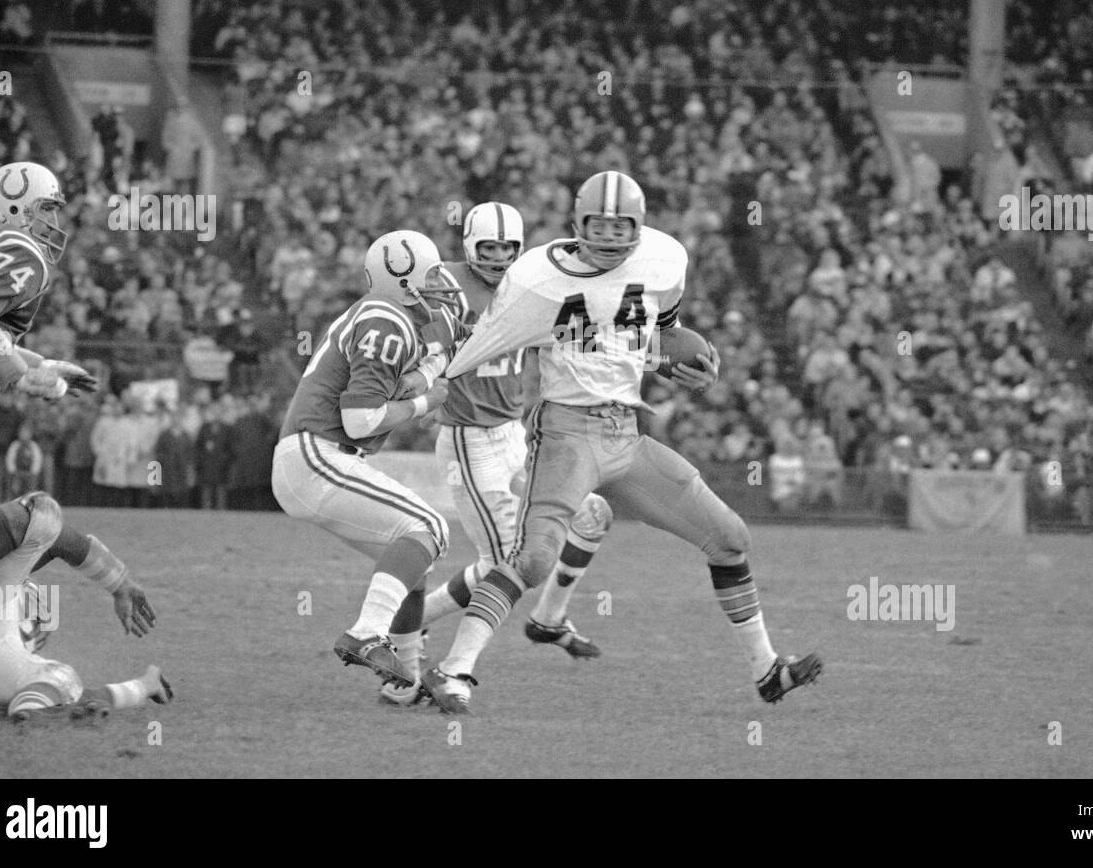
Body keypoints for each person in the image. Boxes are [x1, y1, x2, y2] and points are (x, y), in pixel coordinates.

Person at [422, 171, 822, 713]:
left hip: (627, 435)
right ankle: (454, 669)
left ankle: (767, 671)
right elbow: (472, 350)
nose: (609, 236)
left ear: (639, 226)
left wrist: (695, 368)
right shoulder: (536, 277)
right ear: (577, 224)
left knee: (729, 537)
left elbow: (660, 333)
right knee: (534, 556)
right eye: (598, 225)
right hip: (566, 434)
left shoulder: (664, 261)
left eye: (620, 226)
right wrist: (420, 391)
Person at [270, 230, 466, 701]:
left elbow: (386, 392)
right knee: (430, 526)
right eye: (431, 272)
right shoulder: (386, 320)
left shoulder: (386, 317)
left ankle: (406, 684)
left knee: (413, 564)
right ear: (403, 276)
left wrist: (429, 373)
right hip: (317, 453)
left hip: (316, 456)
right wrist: (424, 402)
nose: (440, 281)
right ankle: (365, 632)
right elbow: (360, 420)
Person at [424, 202, 613, 667]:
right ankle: (418, 631)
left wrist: (649, 352)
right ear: (470, 244)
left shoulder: (532, 286)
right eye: (488, 247)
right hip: (468, 440)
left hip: (512, 435)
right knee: (509, 561)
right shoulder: (443, 284)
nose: (497, 257)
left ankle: (549, 618)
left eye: (507, 248)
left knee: (592, 514)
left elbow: (587, 342)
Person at [0, 161, 99, 523]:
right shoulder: (20, 246)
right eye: (47, 207)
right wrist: (21, 376)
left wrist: (38, 364)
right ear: (16, 208)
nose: (54, 221)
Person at [0, 491, 172, 721]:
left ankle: (31, 714)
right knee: (61, 680)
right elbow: (56, 535)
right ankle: (28, 714)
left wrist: (147, 684)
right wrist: (146, 684)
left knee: (61, 683)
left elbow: (52, 533)